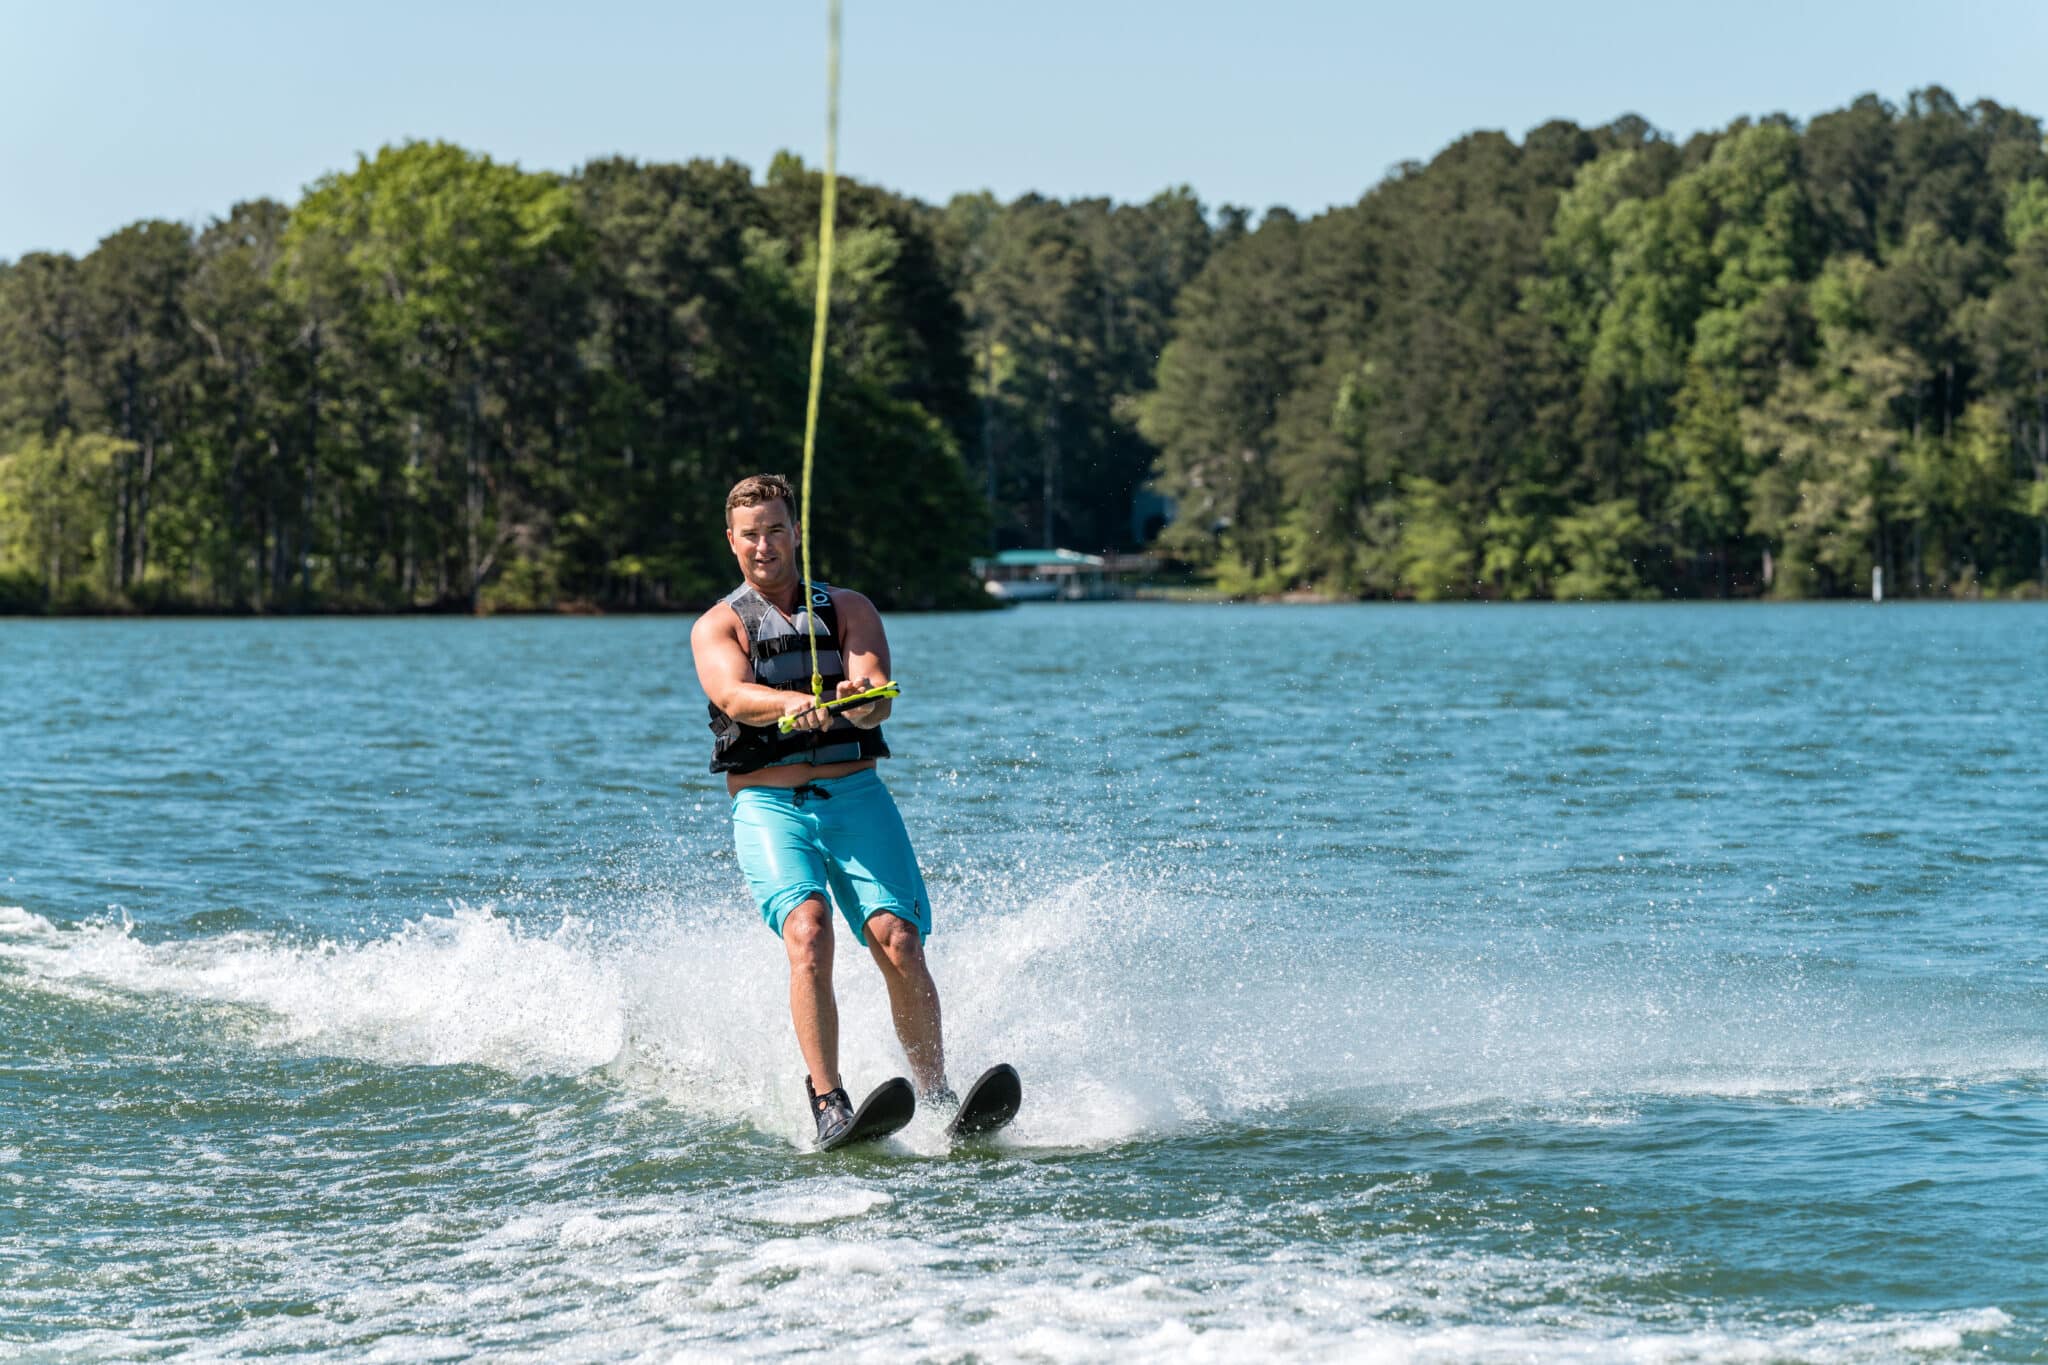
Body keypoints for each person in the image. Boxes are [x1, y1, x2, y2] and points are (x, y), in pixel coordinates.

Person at [691, 473, 952, 1146]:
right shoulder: (718, 625)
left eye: (776, 530)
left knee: (899, 938)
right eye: (750, 534)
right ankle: (829, 1099)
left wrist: (858, 698)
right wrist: (785, 706)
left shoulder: (849, 608)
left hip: (856, 796)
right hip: (768, 804)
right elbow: (733, 695)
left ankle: (940, 1092)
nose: (764, 545)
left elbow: (875, 692)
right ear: (732, 541)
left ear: (796, 532)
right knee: (808, 932)